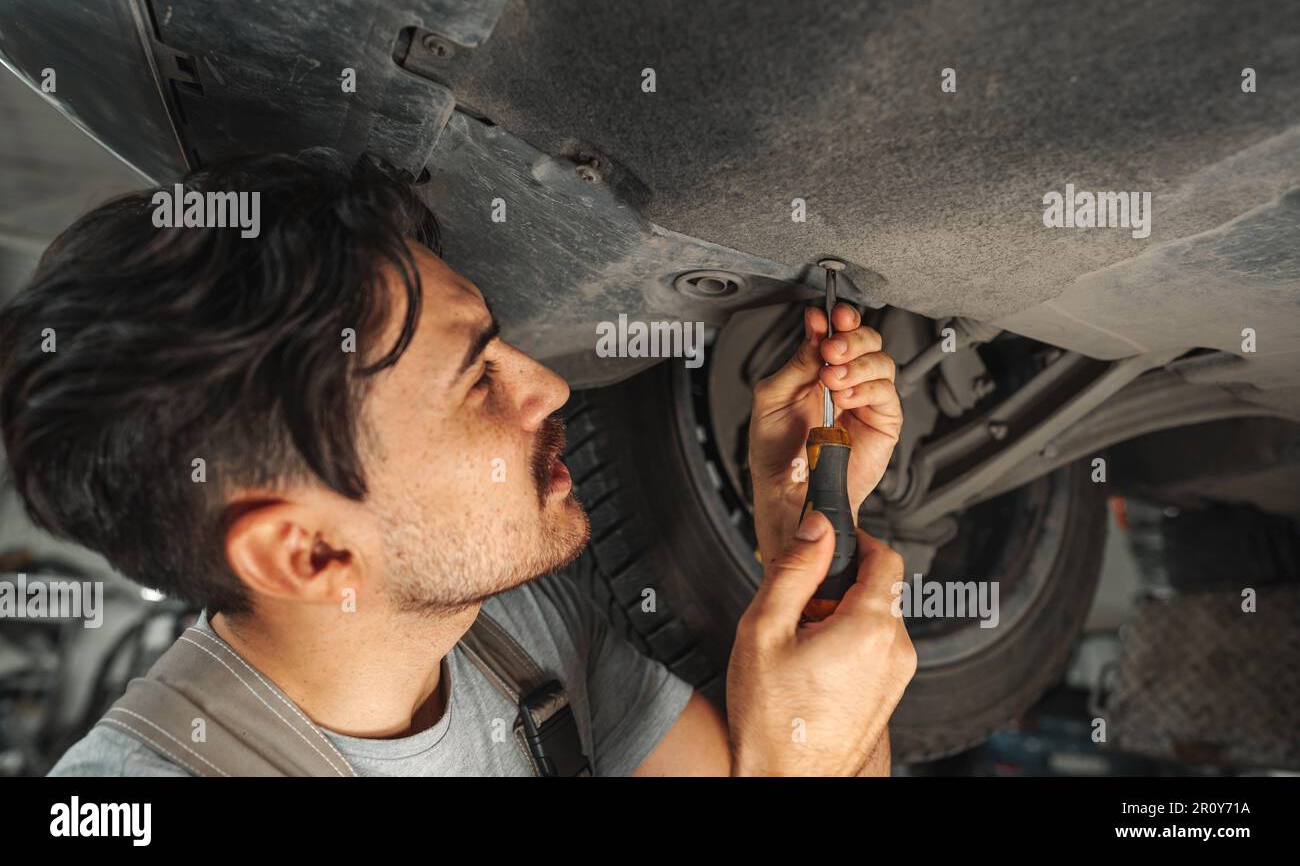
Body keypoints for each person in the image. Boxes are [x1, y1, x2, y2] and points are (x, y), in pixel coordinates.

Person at [0, 148, 914, 776]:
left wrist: (803, 517)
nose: (549, 388)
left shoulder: (516, 627)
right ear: (306, 554)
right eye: (478, 383)